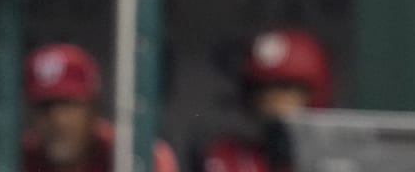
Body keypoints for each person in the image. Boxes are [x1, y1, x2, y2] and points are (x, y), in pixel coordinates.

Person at [21, 43, 179, 172]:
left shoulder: (137, 155)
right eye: (44, 107)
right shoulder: (16, 159)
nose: (57, 119)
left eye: (68, 105)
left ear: (93, 108)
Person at [200, 28, 334, 172]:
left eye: (285, 87)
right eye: (261, 88)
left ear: (313, 93)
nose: (272, 98)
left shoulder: (336, 161)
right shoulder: (227, 157)